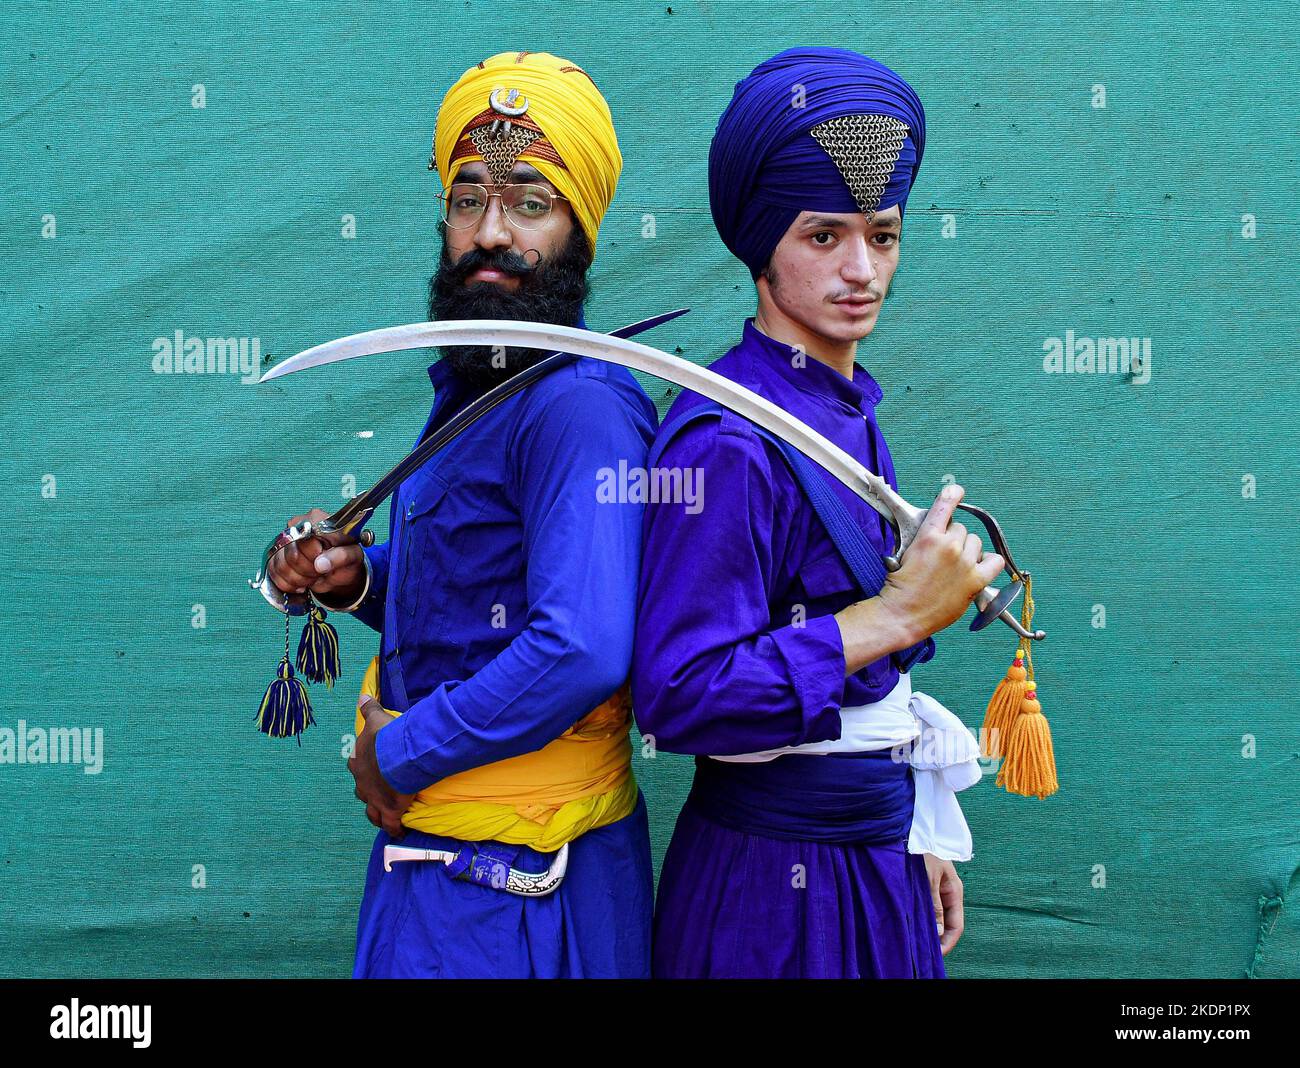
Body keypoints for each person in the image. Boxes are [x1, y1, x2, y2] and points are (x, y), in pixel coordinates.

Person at [267, 51, 656, 978]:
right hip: (443, 873)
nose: (491, 232)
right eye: (468, 198)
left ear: (579, 229)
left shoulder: (579, 408)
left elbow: (579, 645)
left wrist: (400, 751)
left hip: (522, 892)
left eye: (529, 201)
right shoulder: (481, 383)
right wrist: (359, 577)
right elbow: (483, 594)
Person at [631, 47, 1003, 979]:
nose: (861, 269)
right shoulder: (726, 440)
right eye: (823, 236)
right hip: (768, 891)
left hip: (872, 859)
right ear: (763, 245)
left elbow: (868, 686)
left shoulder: (844, 406)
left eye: (883, 235)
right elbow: (681, 695)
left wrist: (915, 823)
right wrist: (896, 616)